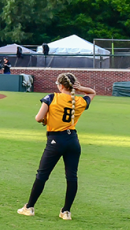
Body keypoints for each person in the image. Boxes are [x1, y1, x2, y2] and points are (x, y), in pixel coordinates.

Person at [18, 73, 96, 220]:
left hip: (56, 140)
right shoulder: (79, 101)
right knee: (72, 177)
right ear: (73, 86)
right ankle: (66, 212)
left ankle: (29, 207)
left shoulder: (52, 97)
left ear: (60, 86)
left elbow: (38, 118)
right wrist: (81, 89)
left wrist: (46, 120)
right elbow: (92, 93)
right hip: (73, 140)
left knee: (42, 175)